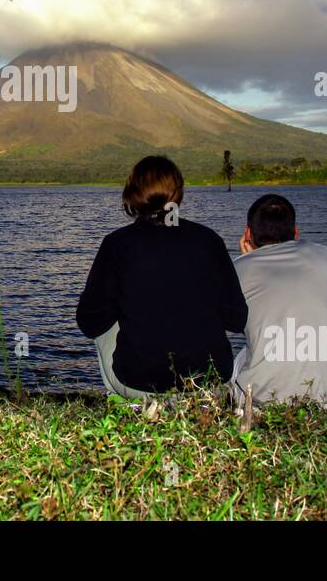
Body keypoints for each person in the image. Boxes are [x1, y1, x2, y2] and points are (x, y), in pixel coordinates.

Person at [76, 155, 247, 399]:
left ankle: (130, 405)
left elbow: (89, 323)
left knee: (104, 320)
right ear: (178, 194)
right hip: (211, 381)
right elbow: (236, 319)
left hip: (140, 383)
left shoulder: (117, 244)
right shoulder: (209, 240)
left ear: (132, 193)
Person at [230, 193, 327, 413]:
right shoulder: (325, 255)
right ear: (295, 233)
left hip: (260, 405)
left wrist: (247, 260)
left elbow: (230, 322)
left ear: (247, 233)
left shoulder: (237, 267)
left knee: (247, 351)